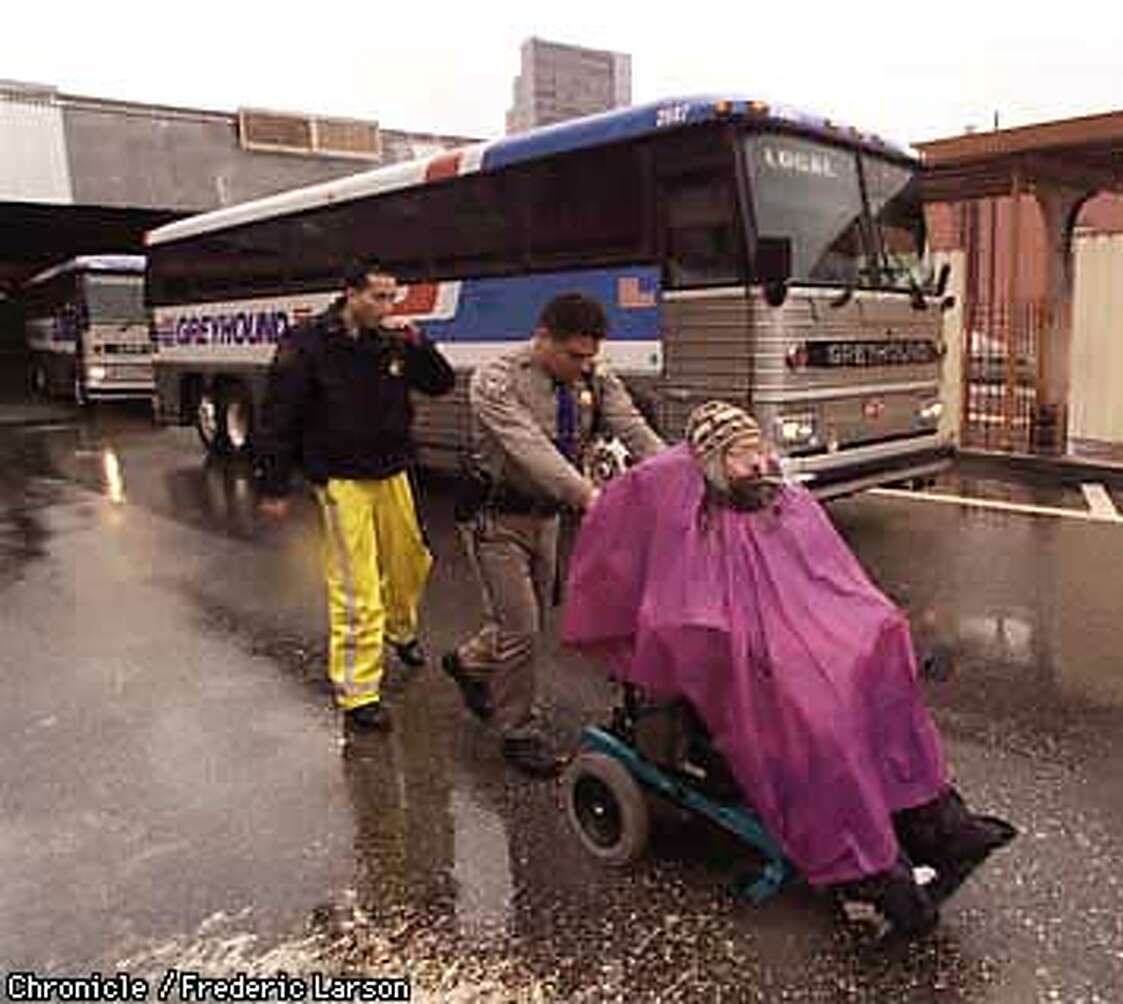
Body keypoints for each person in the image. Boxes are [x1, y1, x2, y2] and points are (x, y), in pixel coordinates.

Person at [562, 401, 1016, 935]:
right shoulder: (694, 525)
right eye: (741, 456)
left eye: (760, 450)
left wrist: (874, 626)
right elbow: (680, 616)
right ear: (710, 463)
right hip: (754, 660)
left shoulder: (784, 504)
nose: (758, 465)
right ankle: (870, 873)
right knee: (820, 716)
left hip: (802, 639)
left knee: (882, 672)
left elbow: (832, 577)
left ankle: (938, 821)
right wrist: (753, 643)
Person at [443, 292, 664, 777]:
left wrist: (676, 472)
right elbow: (529, 448)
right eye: (574, 355)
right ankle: (517, 730)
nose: (583, 365)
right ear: (543, 338)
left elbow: (633, 427)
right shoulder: (496, 380)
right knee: (521, 627)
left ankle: (468, 662)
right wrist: (588, 495)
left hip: (546, 518)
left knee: (530, 620)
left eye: (590, 356)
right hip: (494, 519)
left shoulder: (593, 376)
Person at [255, 259, 455, 732]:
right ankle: (358, 691)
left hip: (391, 470)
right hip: (341, 478)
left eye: (392, 297)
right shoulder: (307, 344)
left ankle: (400, 629)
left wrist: (421, 345)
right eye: (377, 297)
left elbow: (440, 384)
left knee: (411, 561)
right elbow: (279, 414)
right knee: (356, 587)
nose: (387, 307)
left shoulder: (393, 341)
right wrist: (274, 483)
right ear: (350, 293)